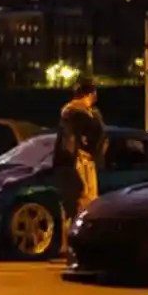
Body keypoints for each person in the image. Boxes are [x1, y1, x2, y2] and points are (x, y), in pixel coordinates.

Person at [53, 79, 105, 258]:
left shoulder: (72, 115)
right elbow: (96, 136)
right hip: (78, 163)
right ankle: (76, 244)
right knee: (82, 202)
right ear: (90, 94)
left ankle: (71, 244)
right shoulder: (78, 114)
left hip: (76, 163)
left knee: (78, 203)